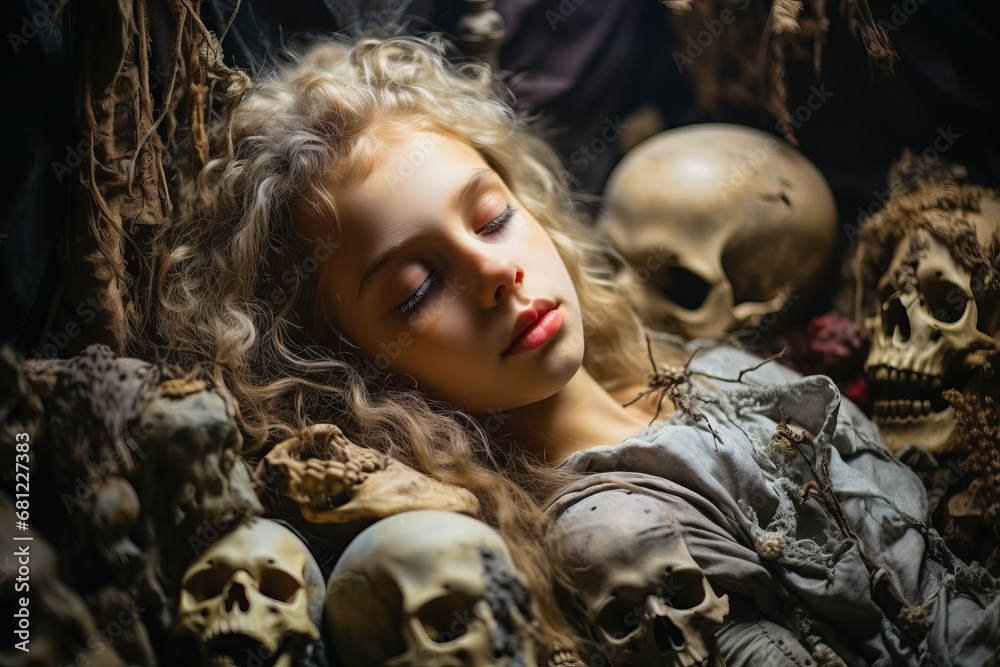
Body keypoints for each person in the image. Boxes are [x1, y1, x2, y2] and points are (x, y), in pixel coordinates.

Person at [151, 33, 999, 665]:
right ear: (351, 370)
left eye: (490, 217)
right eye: (415, 288)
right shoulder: (606, 545)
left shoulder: (715, 367)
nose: (494, 271)